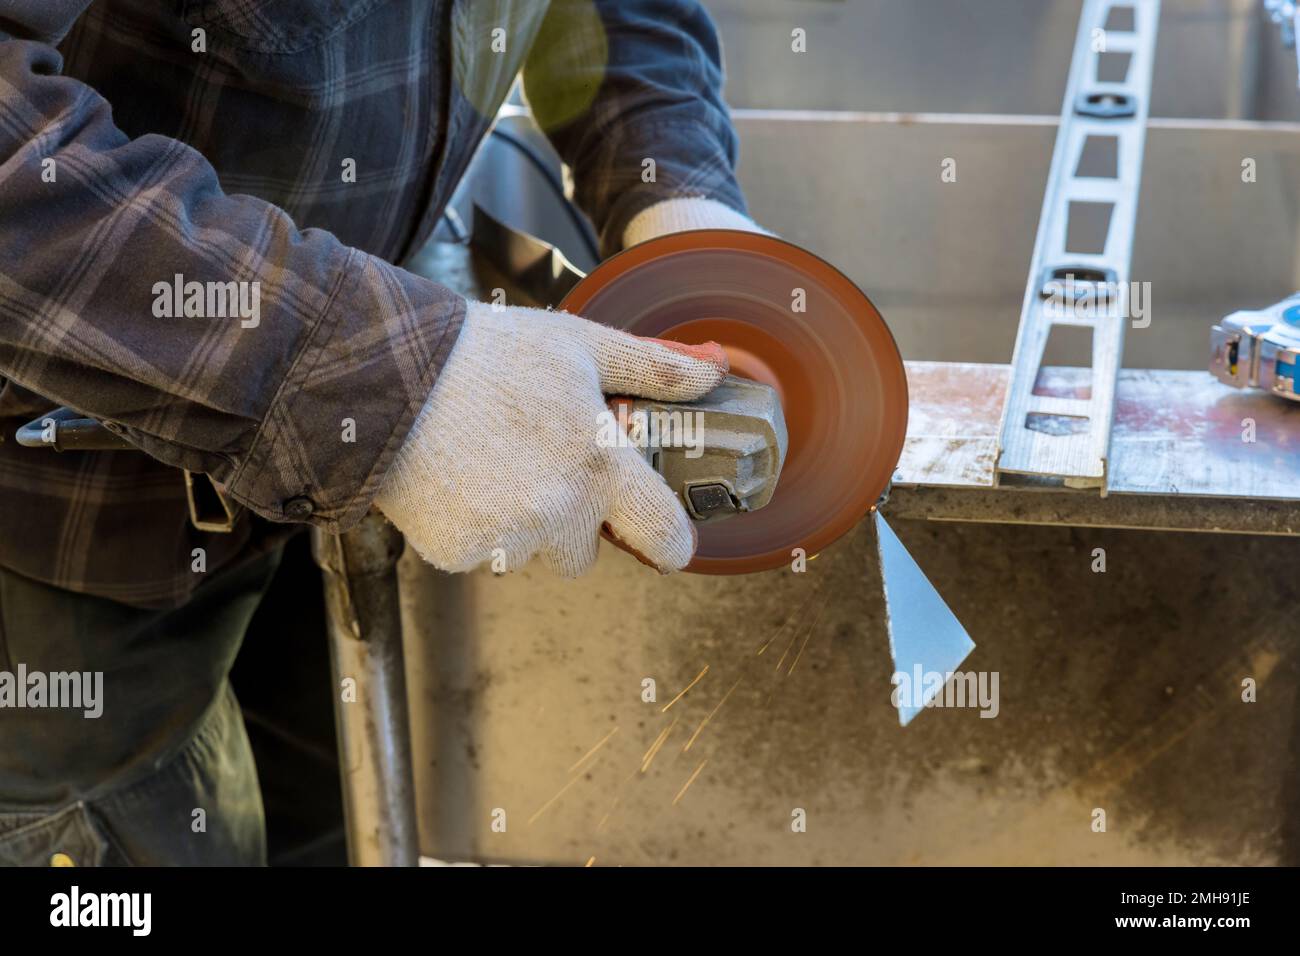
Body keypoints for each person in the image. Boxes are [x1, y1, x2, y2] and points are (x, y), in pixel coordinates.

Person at [0, 0, 767, 865]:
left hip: (325, 473)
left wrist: (673, 194)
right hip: (58, 519)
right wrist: (374, 374)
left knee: (328, 821)